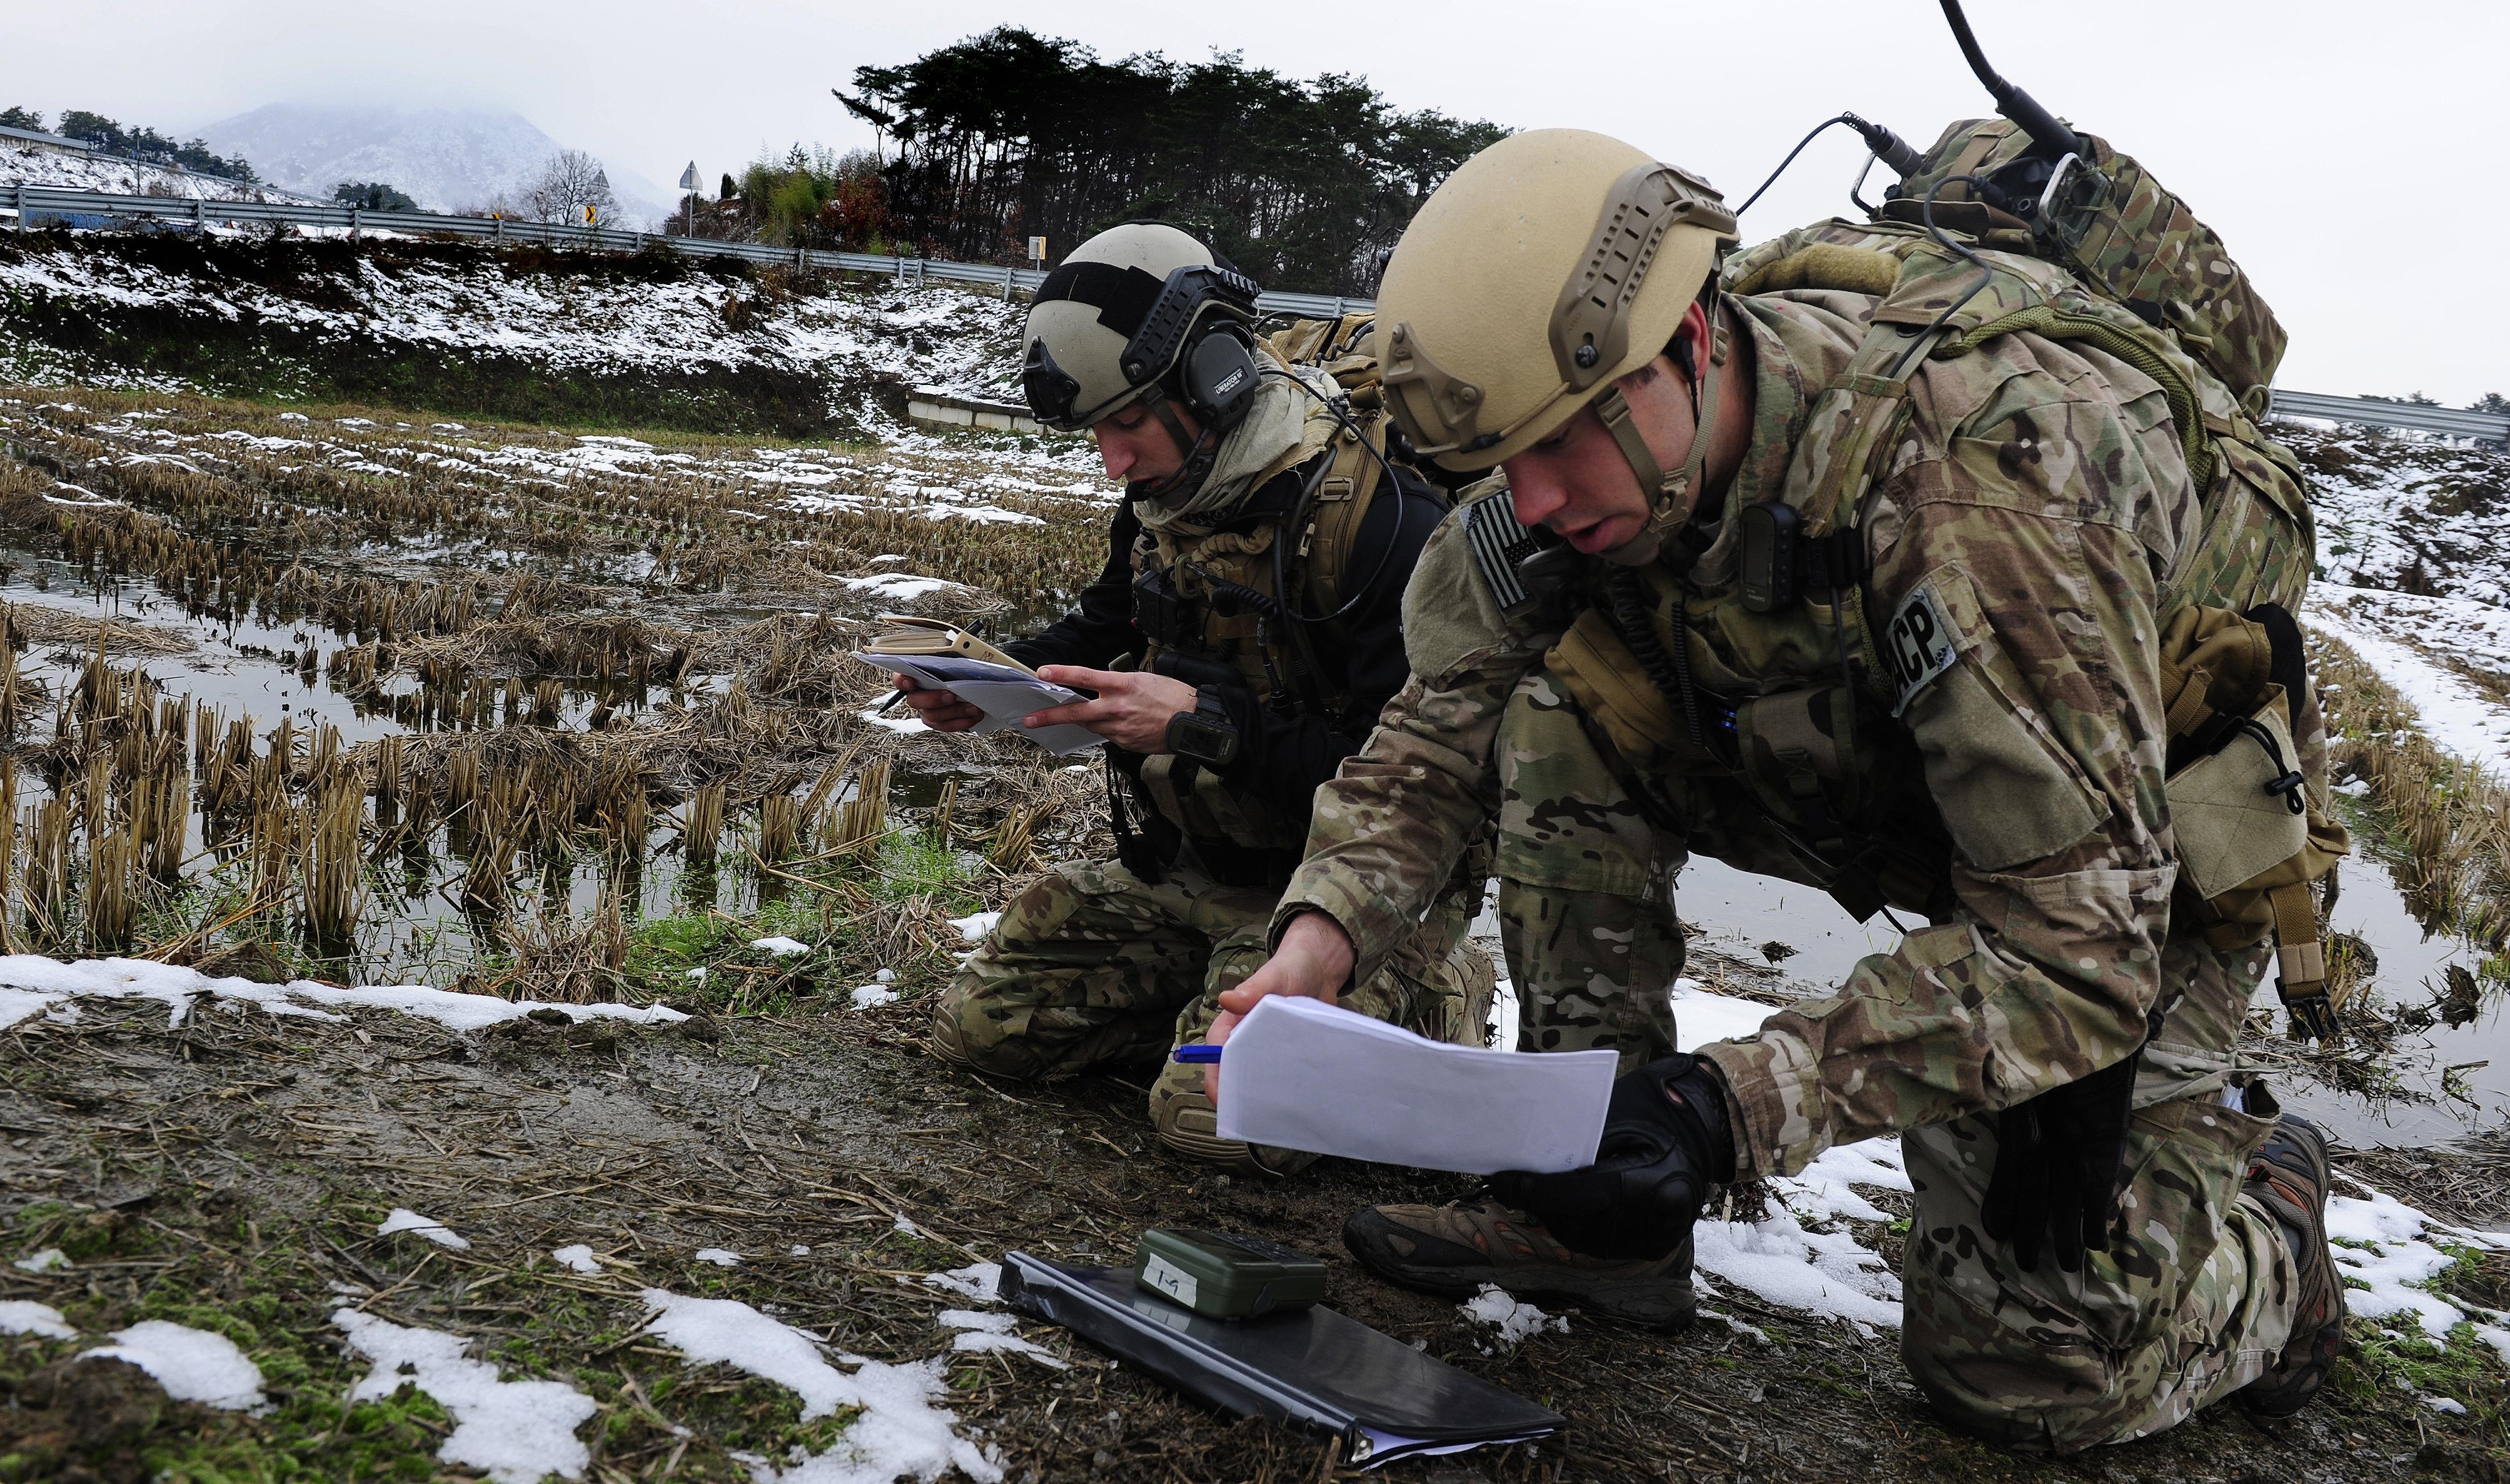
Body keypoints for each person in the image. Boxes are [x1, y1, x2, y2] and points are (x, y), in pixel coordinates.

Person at [1206, 126, 2350, 1449]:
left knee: (2029, 1366)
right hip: (1882, 776)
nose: (1535, 499)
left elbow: (2078, 949)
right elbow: (1432, 737)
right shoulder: (1553, 491)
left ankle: (2277, 1238)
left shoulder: (1981, 496)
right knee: (1552, 705)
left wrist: (1725, 1108)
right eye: (1501, 463)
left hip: (2116, 869)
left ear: (1692, 342)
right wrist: (1320, 935)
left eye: (1564, 444)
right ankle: (1592, 1195)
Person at [909, 221, 1493, 1171]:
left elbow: (1418, 789)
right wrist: (989, 679)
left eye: (1126, 425)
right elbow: (1101, 627)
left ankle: (1436, 993)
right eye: (1097, 434)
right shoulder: (1165, 494)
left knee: (1208, 1123)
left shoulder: (1384, 522)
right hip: (1200, 874)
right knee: (982, 1031)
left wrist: (1199, 726)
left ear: (1213, 378)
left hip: (1342, 904)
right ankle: (1215, 994)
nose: (1113, 462)